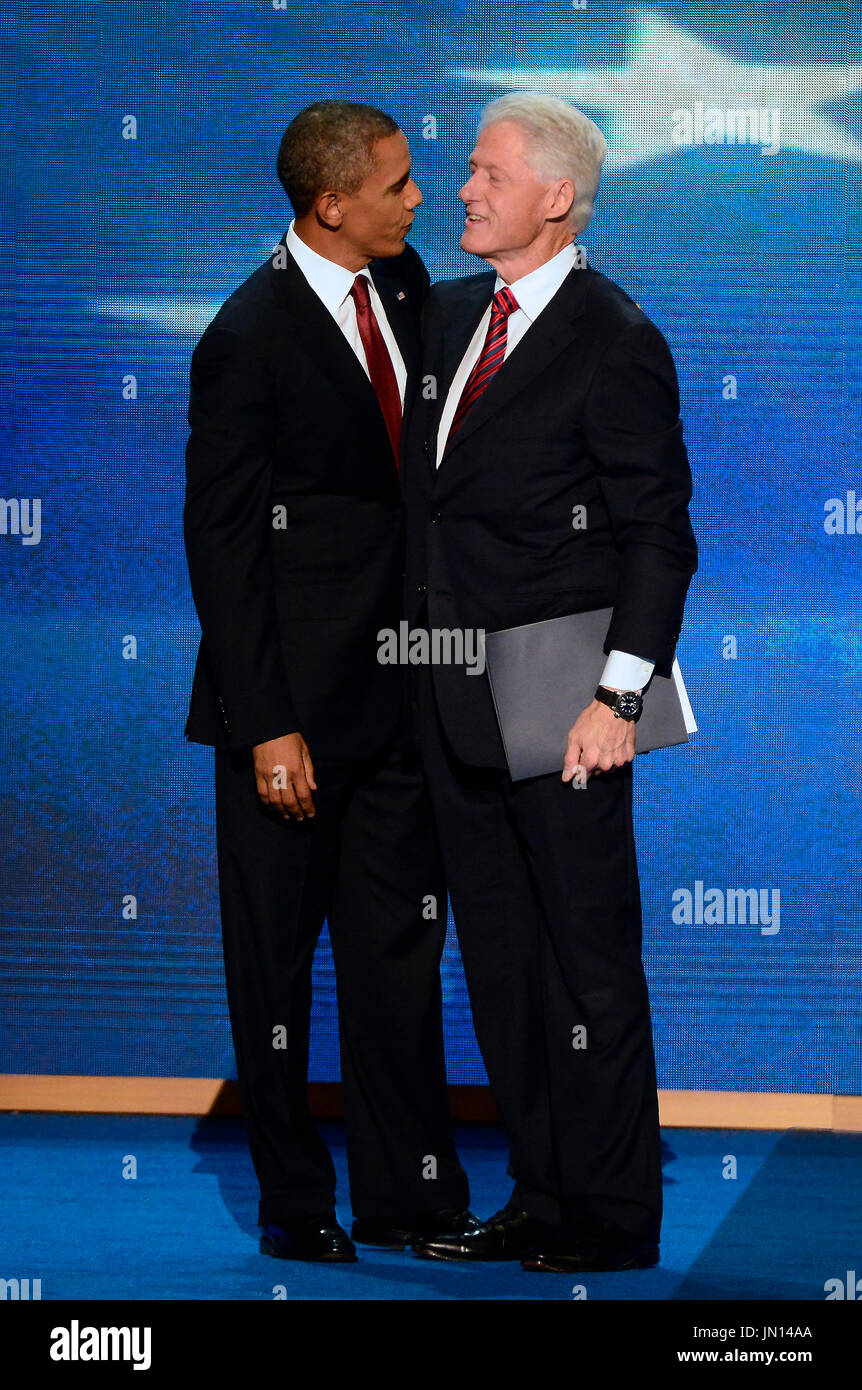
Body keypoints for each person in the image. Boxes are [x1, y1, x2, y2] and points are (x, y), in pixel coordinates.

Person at [404, 93, 697, 1272]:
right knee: (503, 962)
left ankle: (614, 1216)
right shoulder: (447, 315)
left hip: (567, 706)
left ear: (555, 196)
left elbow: (657, 535)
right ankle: (538, 1189)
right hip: (447, 697)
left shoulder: (616, 337)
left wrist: (617, 700)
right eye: (466, 171)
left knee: (587, 962)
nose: (462, 189)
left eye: (485, 172)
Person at [183, 101, 473, 1262]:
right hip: (288, 717)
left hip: (405, 693)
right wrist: (266, 726)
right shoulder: (245, 336)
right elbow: (224, 545)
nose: (420, 200)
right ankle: (298, 1205)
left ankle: (411, 1195)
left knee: (396, 956)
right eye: (399, 185)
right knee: (275, 968)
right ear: (331, 204)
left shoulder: (411, 294)